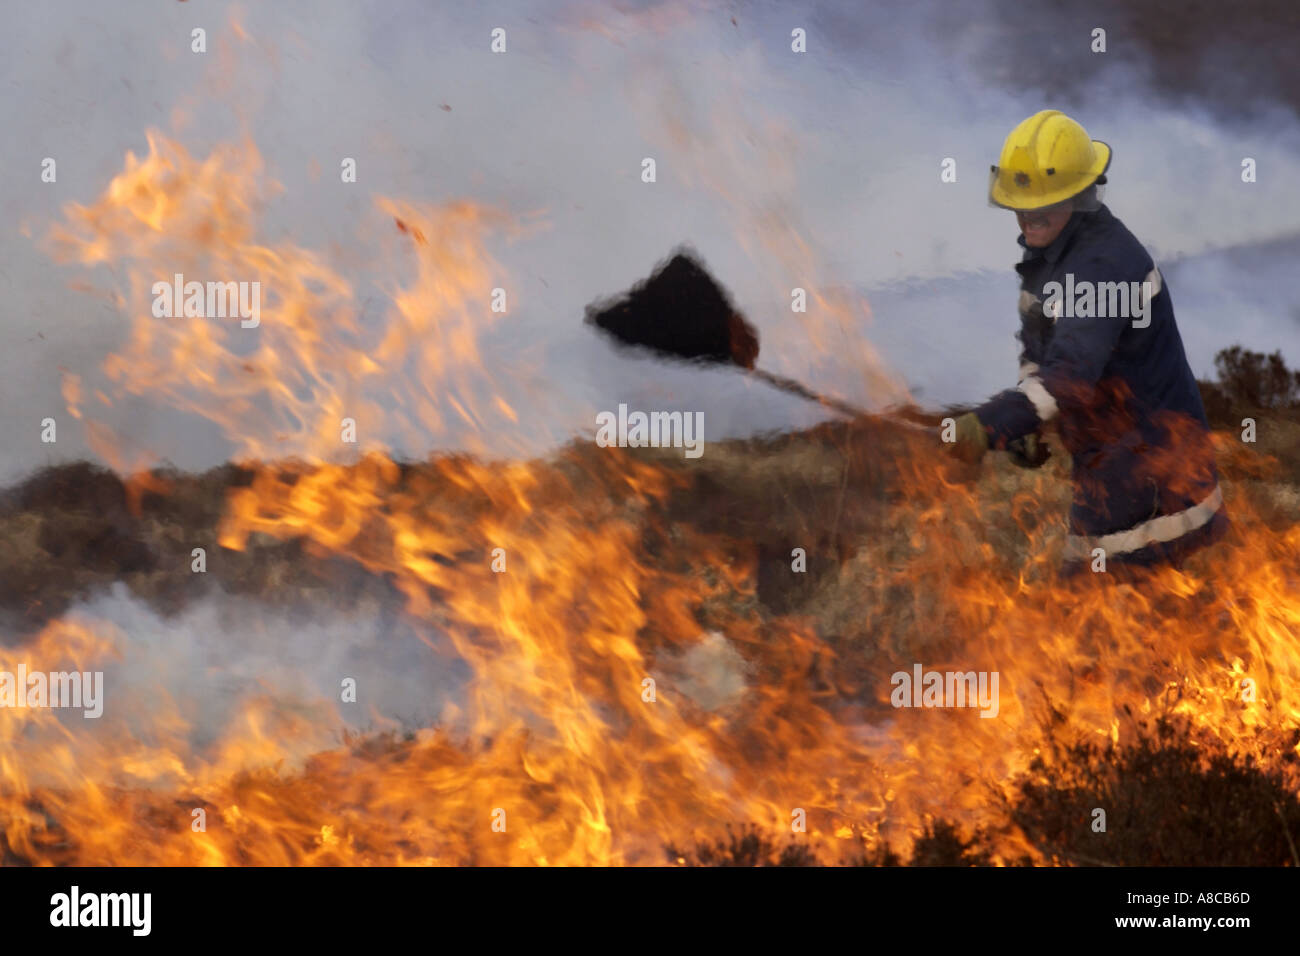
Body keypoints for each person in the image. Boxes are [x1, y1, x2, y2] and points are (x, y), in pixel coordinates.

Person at [949, 109, 1227, 575]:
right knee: (1090, 616)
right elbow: (1042, 348)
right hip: (1113, 465)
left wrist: (991, 424)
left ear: (1079, 197)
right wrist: (1026, 422)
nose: (1026, 216)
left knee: (1098, 624)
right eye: (1020, 203)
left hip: (1155, 475)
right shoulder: (1048, 253)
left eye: (1041, 204)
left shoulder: (1100, 266)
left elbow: (1071, 375)